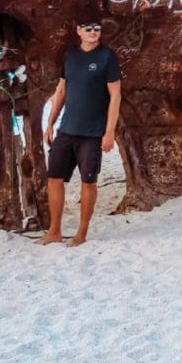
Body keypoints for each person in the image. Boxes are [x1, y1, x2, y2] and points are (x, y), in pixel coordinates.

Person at [41, 15, 122, 247]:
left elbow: (116, 96)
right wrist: (50, 123)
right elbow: (61, 91)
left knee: (89, 181)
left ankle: (81, 233)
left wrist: (109, 132)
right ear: (79, 30)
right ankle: (54, 230)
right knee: (54, 178)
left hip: (92, 132)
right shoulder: (71, 56)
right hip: (67, 129)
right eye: (88, 28)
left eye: (96, 28)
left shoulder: (107, 57)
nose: (93, 32)